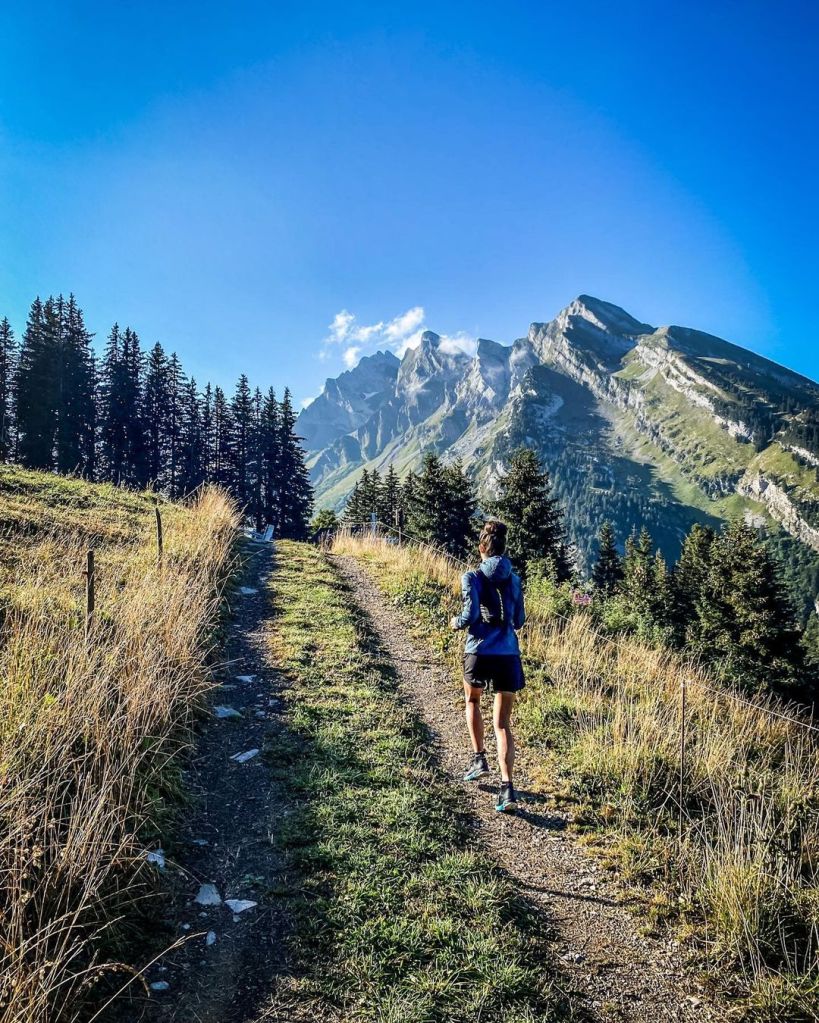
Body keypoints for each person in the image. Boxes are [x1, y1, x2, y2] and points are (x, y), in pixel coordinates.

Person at [450, 519, 525, 812]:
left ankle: (479, 757)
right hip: (508, 654)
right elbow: (518, 621)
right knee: (503, 723)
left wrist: (455, 623)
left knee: (472, 700)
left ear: (482, 547)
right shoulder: (515, 580)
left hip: (479, 651)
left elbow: (468, 616)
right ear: (503, 549)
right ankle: (507, 789)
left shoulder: (471, 576)